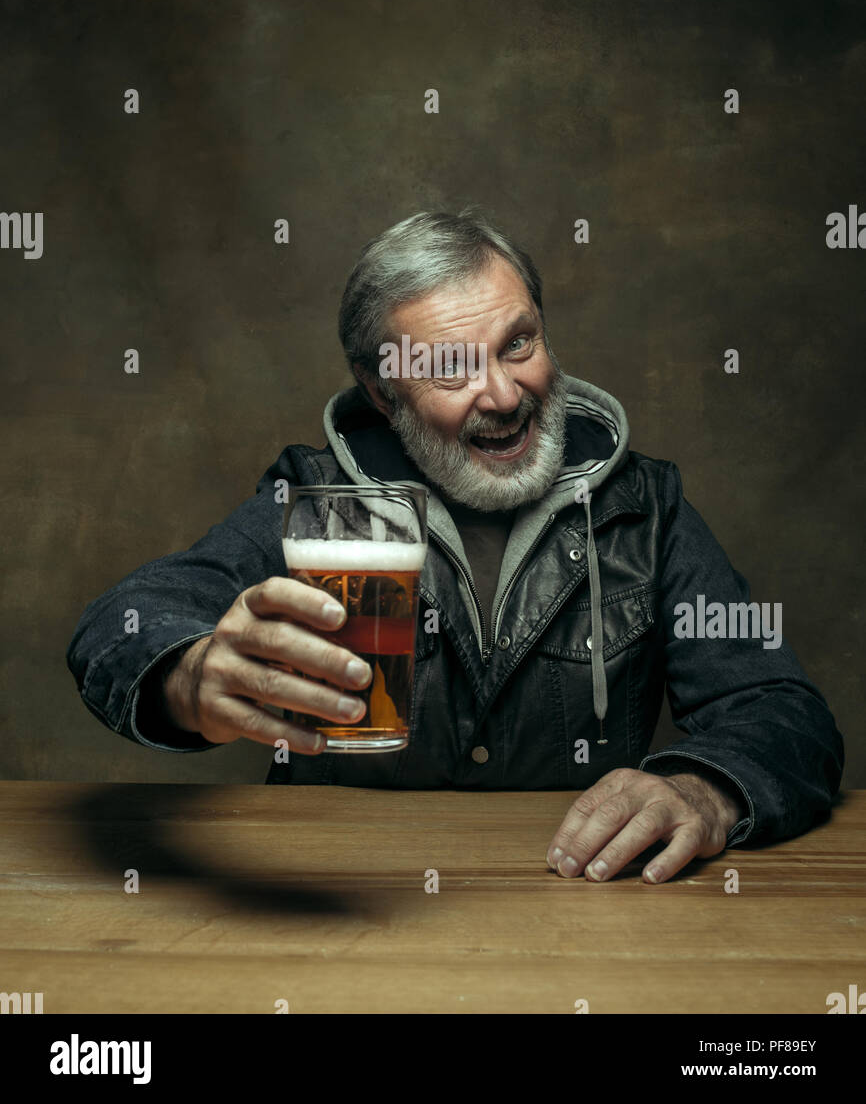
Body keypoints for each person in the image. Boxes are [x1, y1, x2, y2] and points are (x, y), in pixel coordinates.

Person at [68, 209, 844, 884]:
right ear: (383, 393)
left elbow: (780, 709)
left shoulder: (646, 506)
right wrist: (190, 674)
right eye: (450, 368)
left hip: (583, 898)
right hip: (341, 898)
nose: (505, 396)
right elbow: (124, 620)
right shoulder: (312, 496)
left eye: (518, 344)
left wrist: (705, 790)